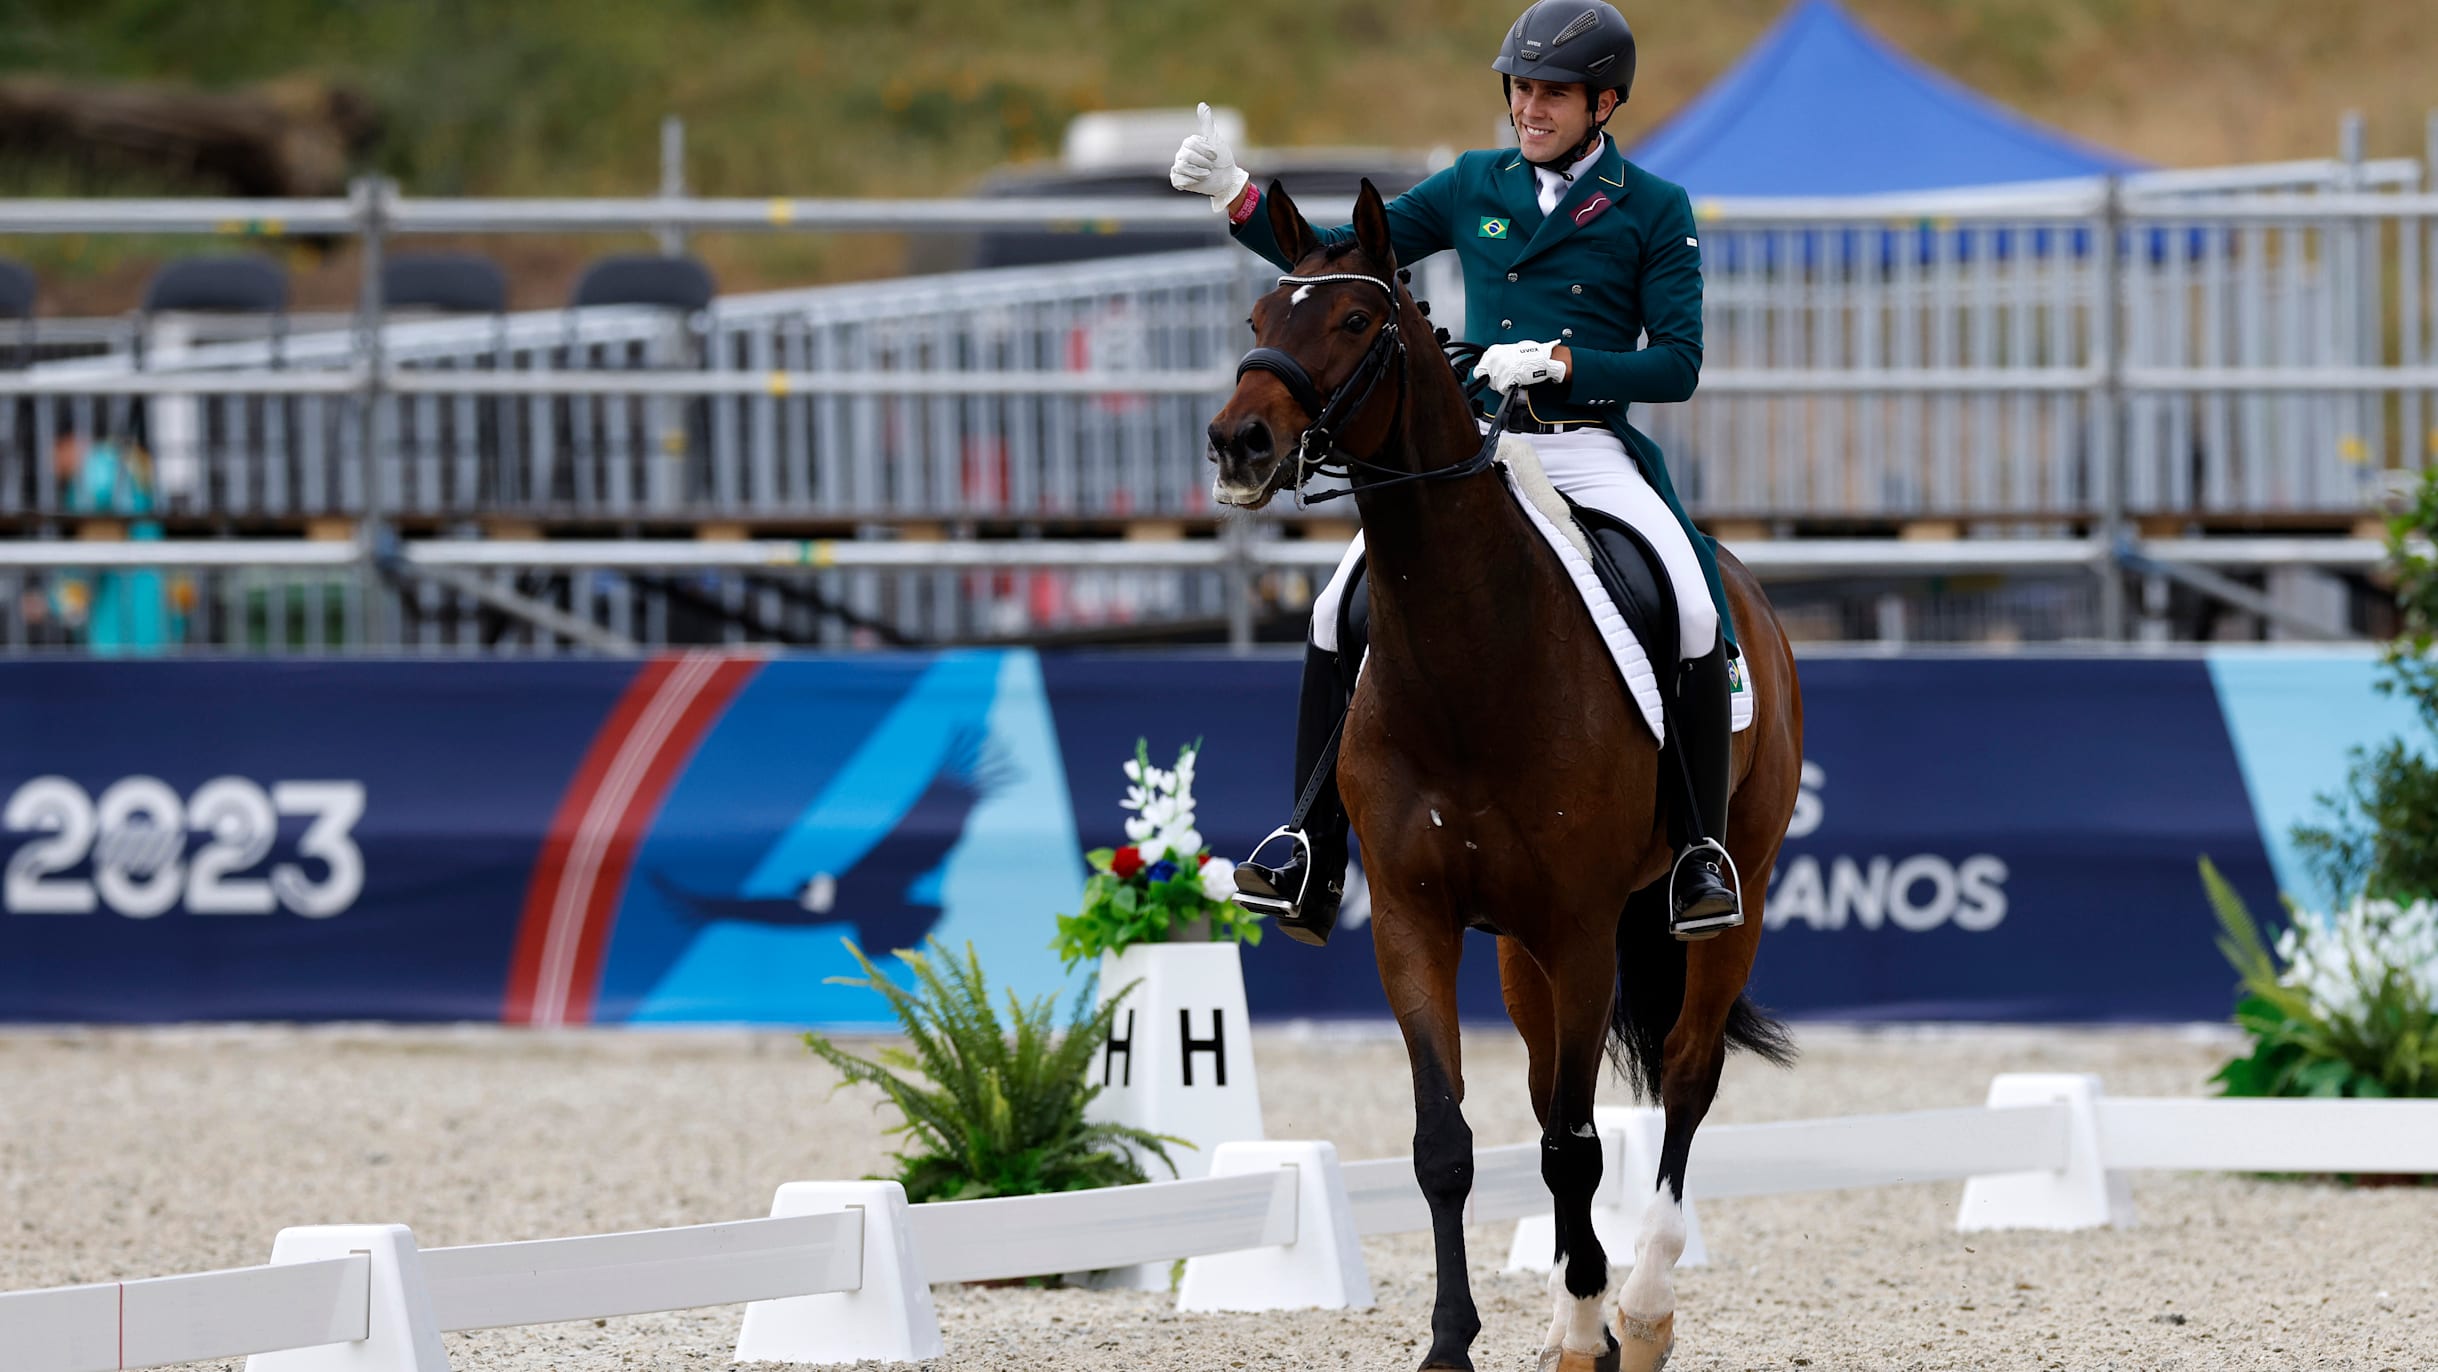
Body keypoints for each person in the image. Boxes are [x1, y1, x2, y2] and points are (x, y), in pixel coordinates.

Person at [1172, 0, 1743, 946]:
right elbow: (1341, 268)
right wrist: (1238, 195)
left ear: (1604, 103)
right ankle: (1308, 844)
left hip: (1586, 445)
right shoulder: (1474, 183)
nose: (1530, 107)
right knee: (1330, 609)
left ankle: (1698, 852)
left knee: (1685, 601)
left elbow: (1676, 364)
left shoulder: (1654, 209)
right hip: (1478, 451)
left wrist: (1565, 364)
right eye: (1521, 88)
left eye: (1551, 94)